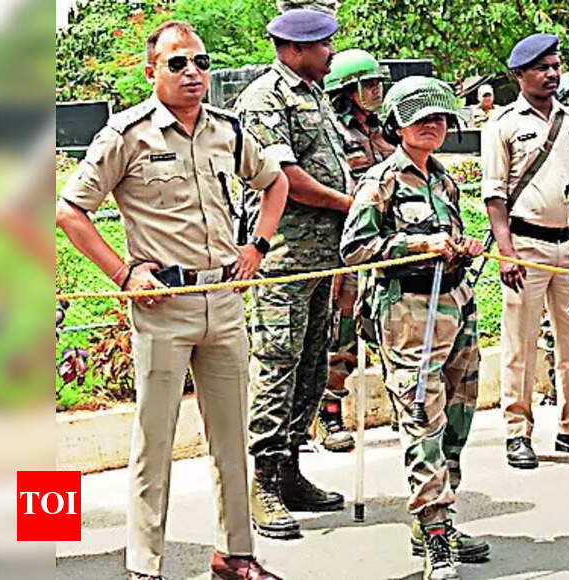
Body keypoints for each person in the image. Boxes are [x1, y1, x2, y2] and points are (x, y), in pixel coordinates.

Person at [55, 20, 288, 579]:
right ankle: (146, 566)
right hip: (164, 308)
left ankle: (236, 555)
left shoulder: (226, 131)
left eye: (201, 63)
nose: (193, 73)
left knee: (232, 438)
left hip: (224, 300)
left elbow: (274, 181)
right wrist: (122, 271)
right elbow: (70, 210)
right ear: (151, 70)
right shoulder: (128, 134)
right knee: (153, 445)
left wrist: (256, 245)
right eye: (178, 63)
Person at [341, 76, 488, 580]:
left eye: (440, 118)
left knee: (458, 419)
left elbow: (455, 234)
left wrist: (462, 247)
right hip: (407, 314)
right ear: (398, 125)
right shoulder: (380, 180)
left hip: (457, 306)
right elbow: (355, 249)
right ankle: (434, 534)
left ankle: (442, 514)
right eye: (421, 118)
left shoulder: (445, 180)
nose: (433, 126)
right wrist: (416, 246)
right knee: (423, 425)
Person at [235, 8, 348, 538]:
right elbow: (283, 177)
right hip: (283, 258)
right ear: (296, 48)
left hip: (323, 258)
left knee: (310, 363)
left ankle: (289, 469)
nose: (331, 52)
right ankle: (260, 482)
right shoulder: (265, 99)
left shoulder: (314, 93)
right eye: (323, 45)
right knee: (277, 365)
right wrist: (349, 203)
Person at [481, 33, 569, 469]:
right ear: (519, 74)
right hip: (525, 245)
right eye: (541, 68)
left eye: (555, 65)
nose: (551, 74)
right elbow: (494, 196)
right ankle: (517, 431)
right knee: (520, 345)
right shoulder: (503, 124)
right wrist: (506, 252)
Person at [317, 48, 396, 452]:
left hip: (389, 245)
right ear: (348, 90)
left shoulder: (387, 129)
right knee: (341, 332)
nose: (376, 91)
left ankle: (405, 404)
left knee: (393, 325)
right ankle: (329, 414)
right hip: (349, 247)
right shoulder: (333, 132)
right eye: (368, 85)